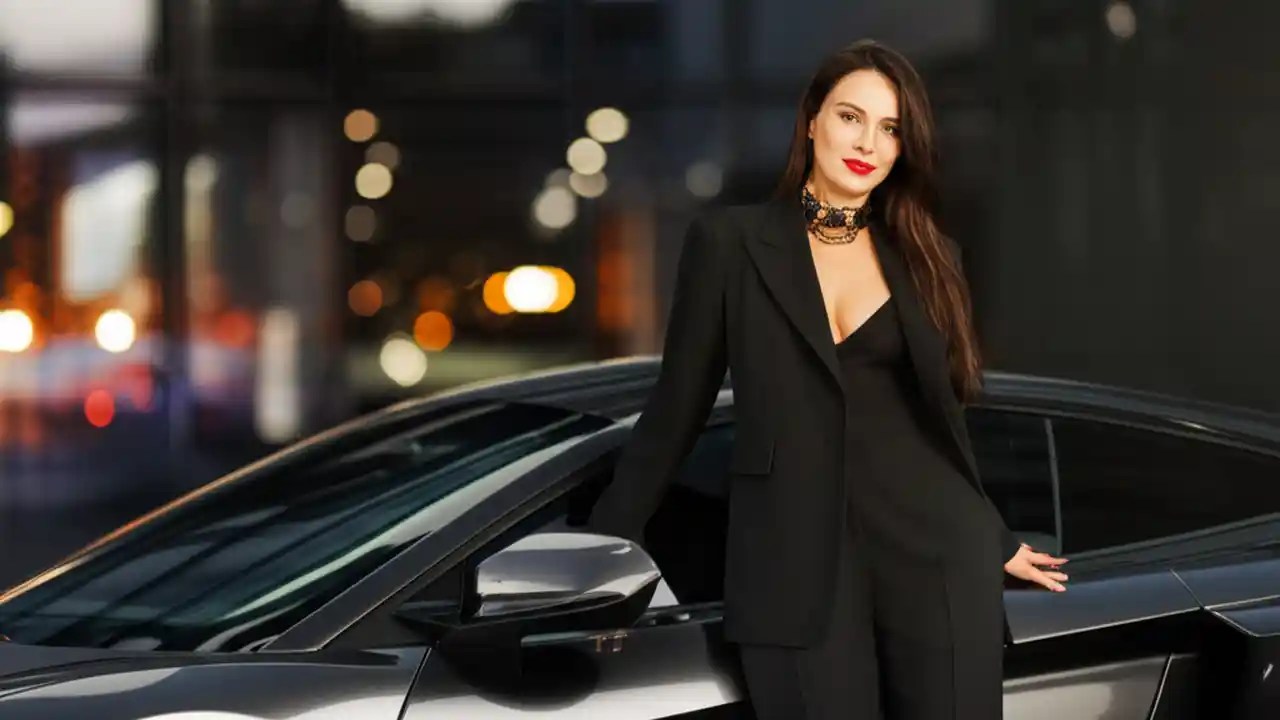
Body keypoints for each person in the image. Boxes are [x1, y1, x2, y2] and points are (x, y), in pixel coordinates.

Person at [585, 39, 1069, 719]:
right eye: (851, 116)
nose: (867, 141)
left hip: (934, 551)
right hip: (790, 565)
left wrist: (990, 538)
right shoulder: (729, 244)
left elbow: (939, 426)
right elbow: (674, 413)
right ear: (811, 119)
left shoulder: (931, 256)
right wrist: (602, 559)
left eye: (890, 128)